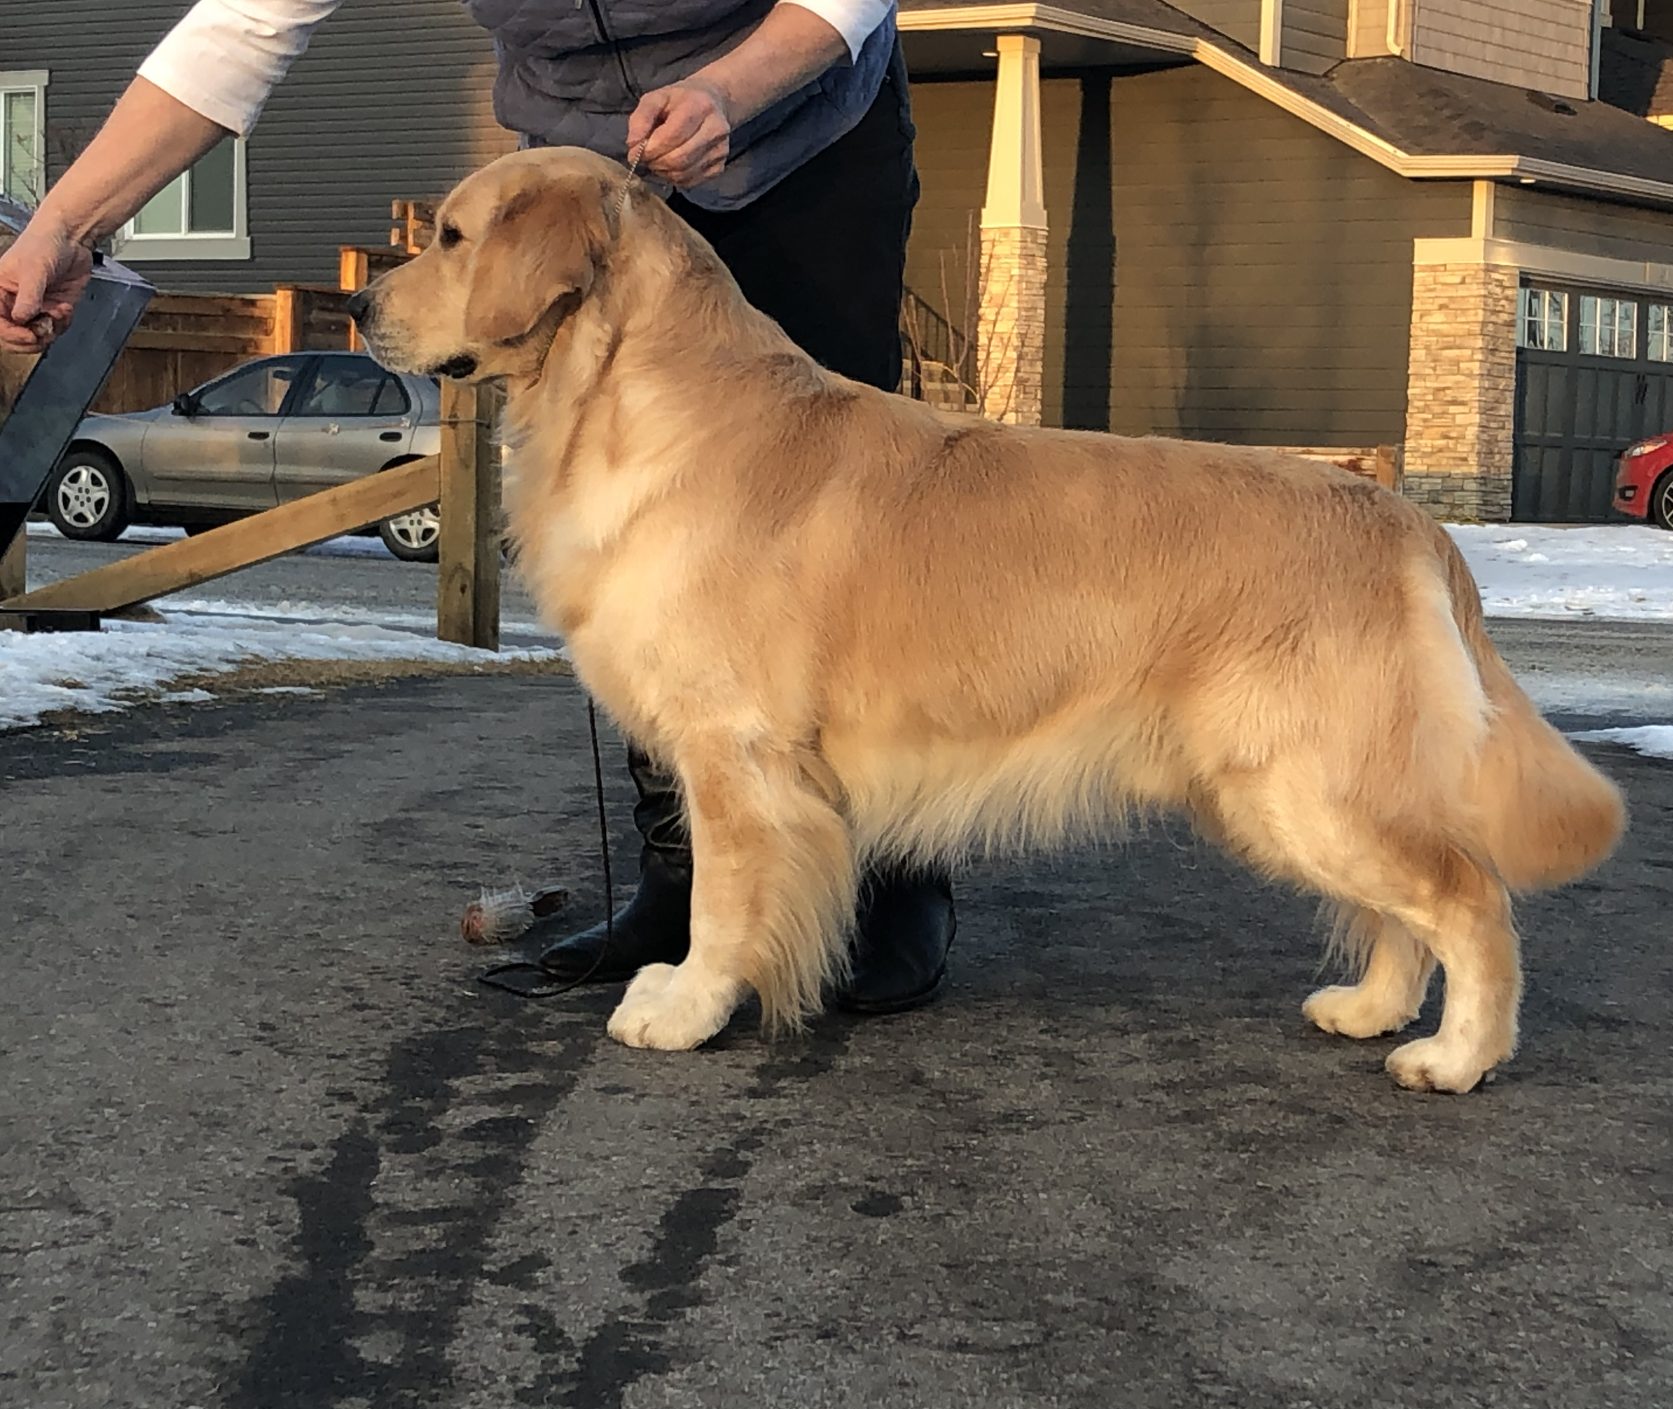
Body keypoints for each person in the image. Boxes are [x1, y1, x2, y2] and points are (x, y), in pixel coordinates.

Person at [0, 0, 958, 1012]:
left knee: (835, 516)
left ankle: (893, 870)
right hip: (581, 173)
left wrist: (732, 87)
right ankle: (685, 877)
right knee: (633, 541)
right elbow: (238, 31)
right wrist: (64, 226)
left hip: (799, 139)